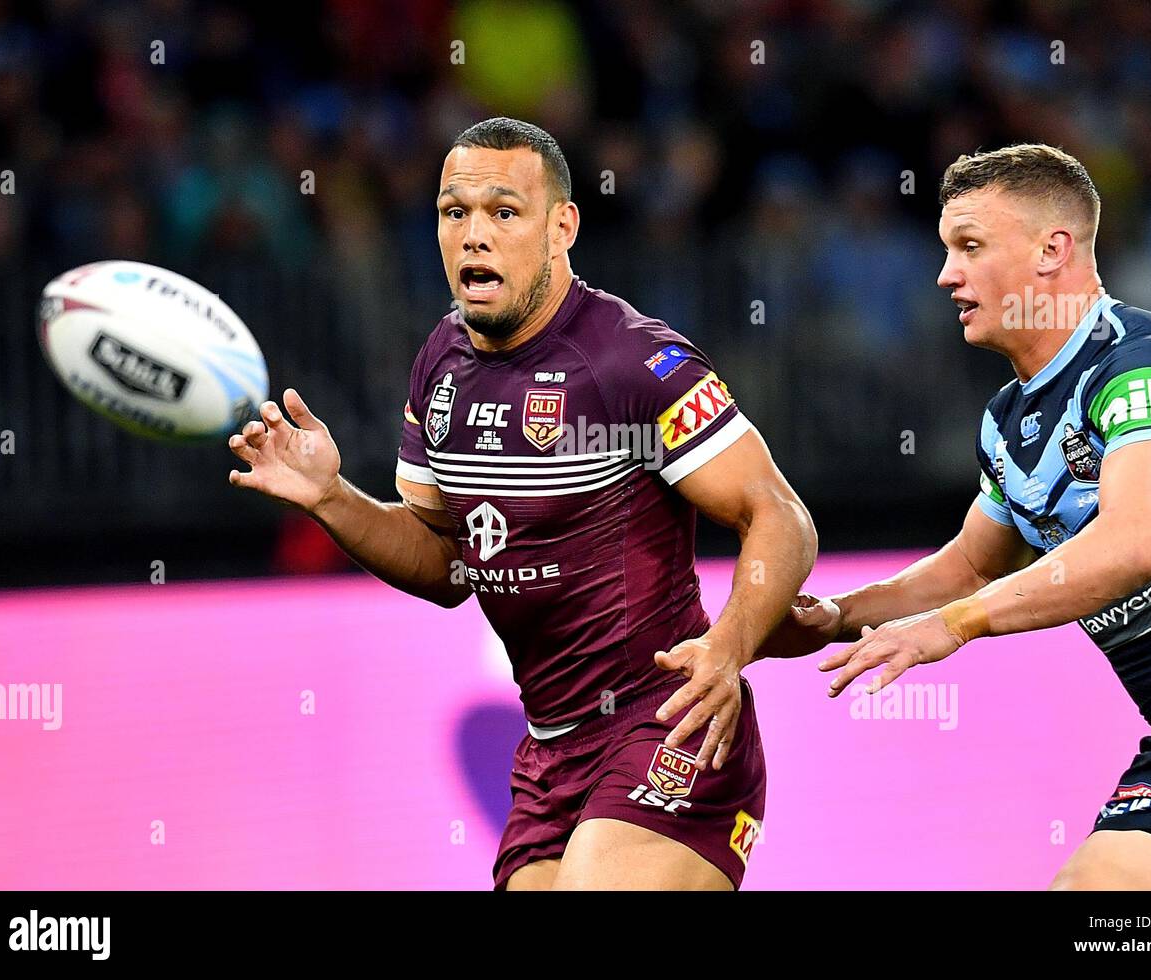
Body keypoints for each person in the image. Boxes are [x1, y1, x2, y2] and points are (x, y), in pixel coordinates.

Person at [227, 117, 817, 890]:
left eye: (504, 213)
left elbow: (779, 516)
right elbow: (445, 566)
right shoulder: (439, 363)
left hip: (669, 716)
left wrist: (730, 647)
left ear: (560, 226)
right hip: (548, 754)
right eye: (454, 212)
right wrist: (331, 499)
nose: (474, 235)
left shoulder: (633, 361)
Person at [765, 143, 1151, 890]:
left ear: (1051, 250)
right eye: (944, 250)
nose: (945, 275)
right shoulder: (1008, 421)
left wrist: (956, 625)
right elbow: (971, 563)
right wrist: (836, 614)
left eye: (969, 247)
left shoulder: (1144, 365)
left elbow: (1135, 545)